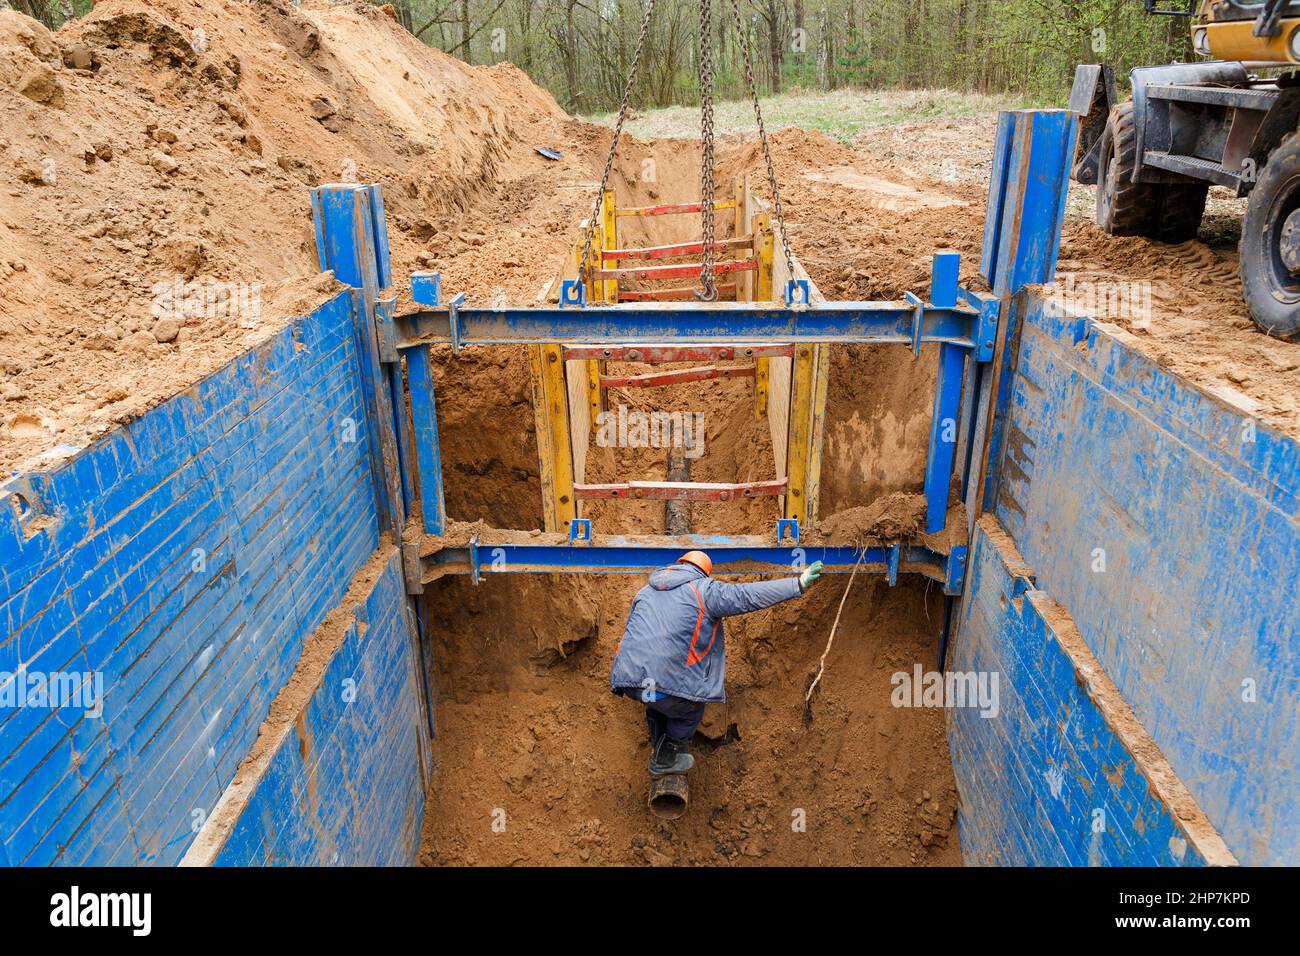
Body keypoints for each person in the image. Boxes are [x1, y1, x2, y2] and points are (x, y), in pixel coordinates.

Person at [610, 550, 823, 776]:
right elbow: (747, 596)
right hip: (666, 691)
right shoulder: (705, 590)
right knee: (689, 709)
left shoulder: (645, 591)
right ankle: (666, 756)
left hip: (630, 683)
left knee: (658, 698)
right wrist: (797, 584)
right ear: (704, 573)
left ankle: (657, 729)